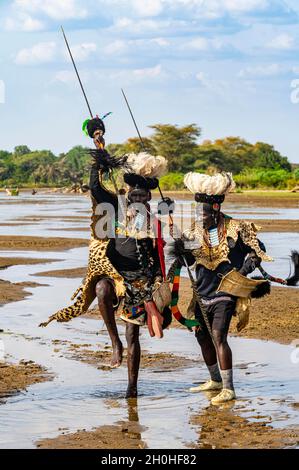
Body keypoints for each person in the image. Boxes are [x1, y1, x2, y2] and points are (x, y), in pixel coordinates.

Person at [40, 117, 172, 398]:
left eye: (143, 194)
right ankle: (115, 343)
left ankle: (132, 388)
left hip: (142, 283)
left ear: (148, 197)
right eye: (134, 192)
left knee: (135, 334)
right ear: (127, 191)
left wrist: (160, 282)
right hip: (114, 275)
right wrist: (99, 157)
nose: (138, 197)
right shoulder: (115, 206)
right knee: (100, 290)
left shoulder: (155, 218)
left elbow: (161, 252)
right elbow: (95, 188)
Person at [168, 172, 272, 404]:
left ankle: (229, 388)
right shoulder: (195, 231)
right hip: (201, 293)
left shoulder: (236, 228)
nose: (200, 217)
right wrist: (179, 246)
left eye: (203, 213)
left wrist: (243, 271)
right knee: (202, 336)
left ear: (215, 209)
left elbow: (258, 250)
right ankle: (215, 380)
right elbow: (185, 256)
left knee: (218, 337)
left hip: (226, 292)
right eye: (197, 213)